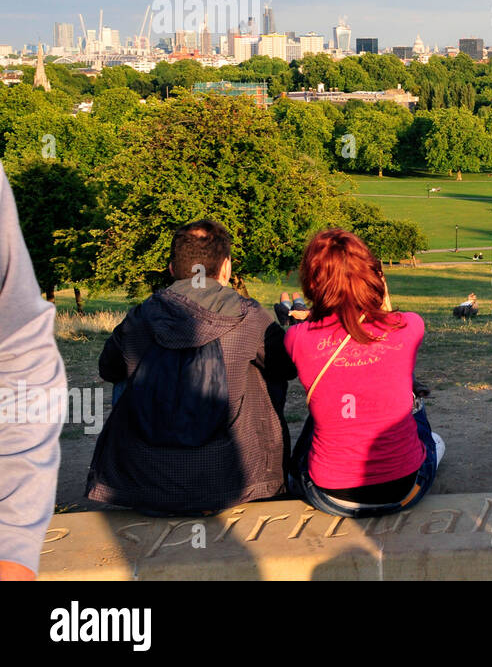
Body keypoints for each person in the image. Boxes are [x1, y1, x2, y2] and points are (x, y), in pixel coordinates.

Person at [86, 219, 297, 515]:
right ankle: (260, 473)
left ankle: (146, 466)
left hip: (144, 481)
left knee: (125, 371)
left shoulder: (140, 316)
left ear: (173, 269)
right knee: (264, 368)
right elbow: (287, 369)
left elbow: (108, 370)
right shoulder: (250, 316)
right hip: (230, 480)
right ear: (226, 267)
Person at [285, 229, 444, 518]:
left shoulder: (297, 338)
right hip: (405, 489)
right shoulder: (409, 326)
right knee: (411, 397)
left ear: (311, 281)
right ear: (373, 276)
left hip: (330, 495)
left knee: (326, 400)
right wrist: (380, 291)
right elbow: (385, 318)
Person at [0, 162, 66, 580]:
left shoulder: (137, 323)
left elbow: (18, 347)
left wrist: (13, 544)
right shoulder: (263, 326)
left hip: (139, 481)